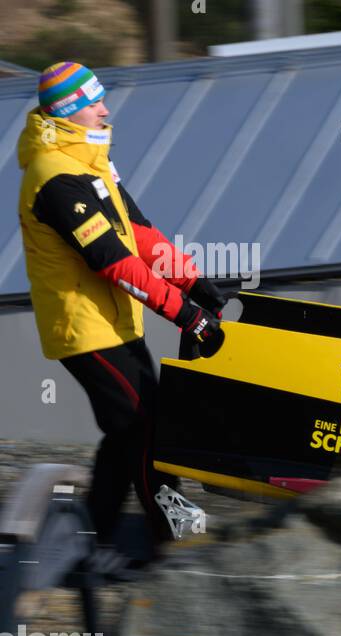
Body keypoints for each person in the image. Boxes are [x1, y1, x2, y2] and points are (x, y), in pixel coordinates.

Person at [16, 62, 229, 556]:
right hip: (85, 330)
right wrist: (185, 314)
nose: (106, 109)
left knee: (130, 427)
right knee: (143, 426)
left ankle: (93, 535)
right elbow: (112, 261)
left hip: (113, 323)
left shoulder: (91, 162)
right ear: (69, 111)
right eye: (94, 102)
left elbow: (141, 235)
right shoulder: (53, 176)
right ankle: (173, 537)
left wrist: (194, 282)